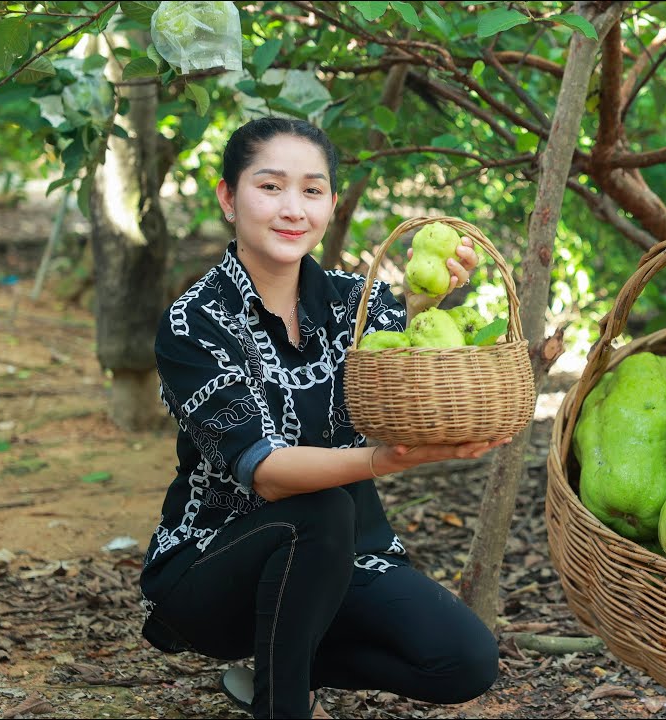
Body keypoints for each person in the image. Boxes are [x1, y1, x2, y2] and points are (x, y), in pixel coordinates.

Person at [138, 117, 509, 719]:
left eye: (312, 191)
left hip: (342, 558)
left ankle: (281, 663)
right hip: (212, 571)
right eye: (270, 187)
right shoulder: (195, 321)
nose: (292, 209)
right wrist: (378, 462)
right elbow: (264, 473)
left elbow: (396, 349)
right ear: (229, 199)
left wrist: (430, 293)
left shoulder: (347, 300)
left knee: (464, 661)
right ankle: (282, 706)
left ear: (332, 205)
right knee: (320, 507)